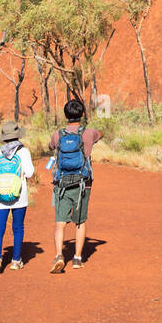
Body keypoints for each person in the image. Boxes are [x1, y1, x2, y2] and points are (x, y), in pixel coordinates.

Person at [48, 97, 103, 273]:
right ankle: (77, 259)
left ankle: (58, 255)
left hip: (62, 183)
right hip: (83, 184)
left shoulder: (58, 135)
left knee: (60, 222)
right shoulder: (89, 133)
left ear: (65, 115)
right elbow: (100, 134)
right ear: (81, 114)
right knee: (80, 221)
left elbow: (51, 147)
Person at [0, 120, 35, 273]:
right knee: (17, 227)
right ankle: (15, 260)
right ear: (17, 136)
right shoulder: (23, 152)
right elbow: (29, 173)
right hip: (19, 196)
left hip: (0, 197)